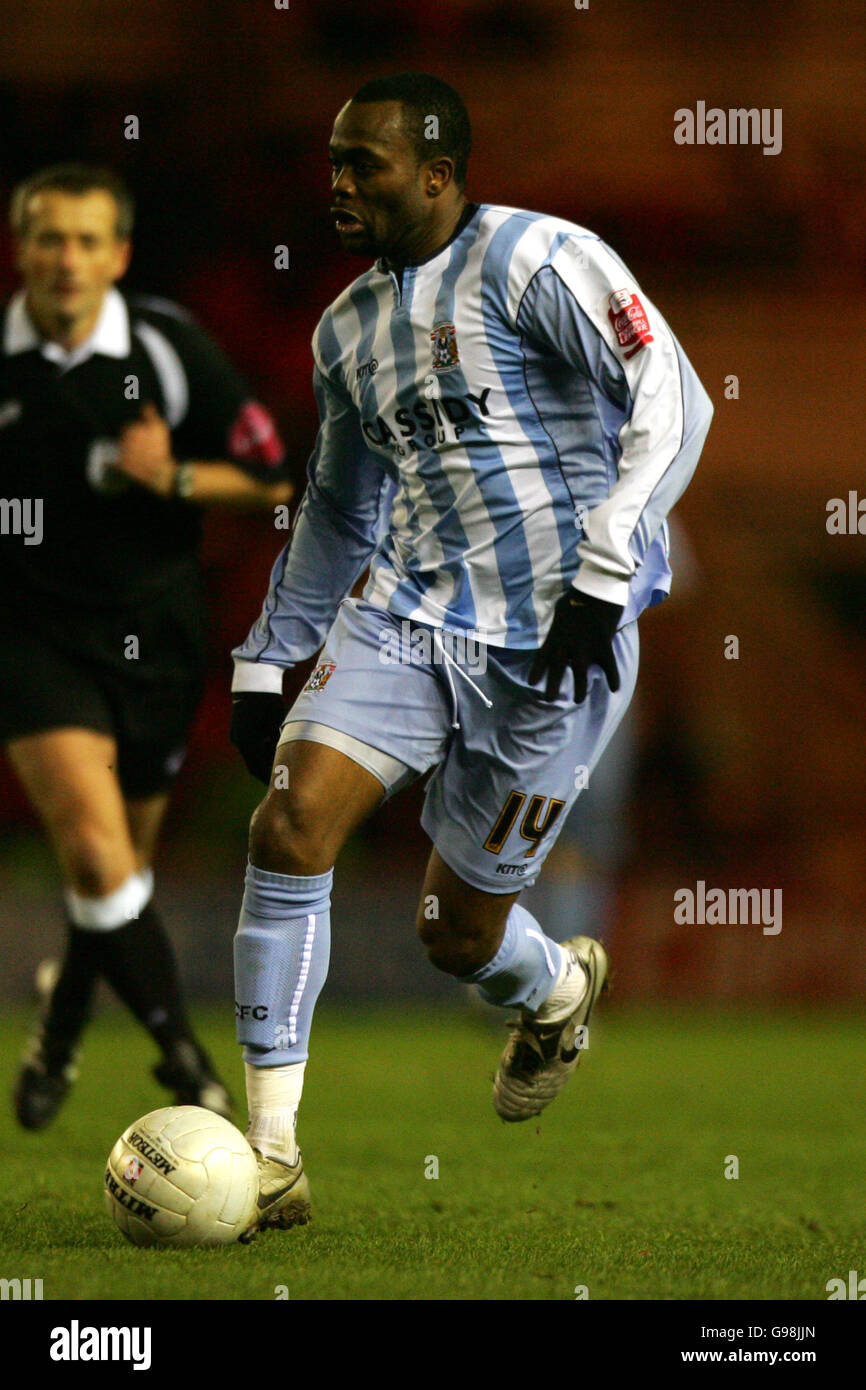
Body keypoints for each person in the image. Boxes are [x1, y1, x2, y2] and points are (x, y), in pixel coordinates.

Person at [228, 74, 713, 1237]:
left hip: (552, 646)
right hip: (402, 615)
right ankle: (271, 1155)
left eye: (365, 166)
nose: (338, 185)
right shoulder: (344, 328)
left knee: (457, 937)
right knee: (288, 825)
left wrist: (605, 571)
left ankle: (552, 988)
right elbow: (338, 507)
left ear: (438, 176)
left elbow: (673, 396)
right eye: (334, 163)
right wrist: (267, 654)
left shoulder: (539, 262)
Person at [1, 163, 293, 1129]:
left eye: (88, 240)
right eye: (48, 237)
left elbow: (274, 483)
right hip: (33, 640)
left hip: (157, 642)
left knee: (118, 874)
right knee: (93, 851)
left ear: (119, 254)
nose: (67, 258)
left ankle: (57, 1036)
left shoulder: (167, 348)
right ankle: (190, 1069)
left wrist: (172, 479)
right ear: (22, 249)